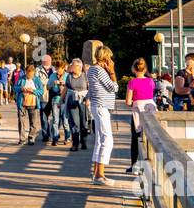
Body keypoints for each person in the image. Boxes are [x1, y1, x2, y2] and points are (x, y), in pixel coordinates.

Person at [87, 46, 117, 185]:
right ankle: (100, 175)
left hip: (96, 106)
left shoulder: (92, 69)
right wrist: (112, 72)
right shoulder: (100, 71)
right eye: (109, 57)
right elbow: (114, 87)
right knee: (107, 140)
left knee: (100, 140)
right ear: (104, 57)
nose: (110, 60)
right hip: (101, 106)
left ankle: (96, 173)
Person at [124, 59, 156, 174]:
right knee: (150, 138)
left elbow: (128, 102)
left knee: (135, 138)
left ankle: (134, 166)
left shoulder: (132, 82)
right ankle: (149, 166)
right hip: (150, 109)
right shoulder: (151, 81)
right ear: (145, 69)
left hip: (138, 110)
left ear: (134, 69)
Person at [65, 58, 89, 151]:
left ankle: (83, 141)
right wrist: (61, 100)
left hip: (83, 100)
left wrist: (88, 99)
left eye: (73, 65)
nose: (71, 66)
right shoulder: (69, 76)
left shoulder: (85, 76)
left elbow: (90, 88)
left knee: (83, 122)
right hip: (72, 100)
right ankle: (75, 144)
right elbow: (66, 89)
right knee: (74, 123)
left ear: (79, 67)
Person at [45, 59, 68, 144]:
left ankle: (67, 137)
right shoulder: (52, 76)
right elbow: (47, 87)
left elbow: (71, 87)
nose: (57, 70)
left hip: (65, 100)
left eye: (59, 68)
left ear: (63, 68)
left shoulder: (67, 75)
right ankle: (55, 138)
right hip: (55, 99)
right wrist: (53, 84)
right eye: (56, 68)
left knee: (65, 120)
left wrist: (64, 84)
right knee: (55, 120)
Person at [17, 64, 39, 144]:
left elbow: (41, 91)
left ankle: (31, 137)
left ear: (33, 73)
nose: (29, 76)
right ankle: (22, 139)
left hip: (33, 103)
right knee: (21, 121)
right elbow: (15, 88)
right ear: (25, 72)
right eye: (28, 74)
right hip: (22, 103)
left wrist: (33, 91)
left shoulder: (36, 80)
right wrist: (21, 88)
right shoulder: (21, 79)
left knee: (33, 121)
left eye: (31, 74)